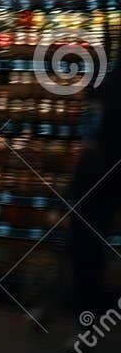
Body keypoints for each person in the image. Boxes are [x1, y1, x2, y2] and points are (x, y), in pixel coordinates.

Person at [66, 49, 121, 317]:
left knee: (86, 246)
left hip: (95, 179)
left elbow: (89, 134)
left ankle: (84, 313)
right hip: (107, 179)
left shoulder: (102, 86)